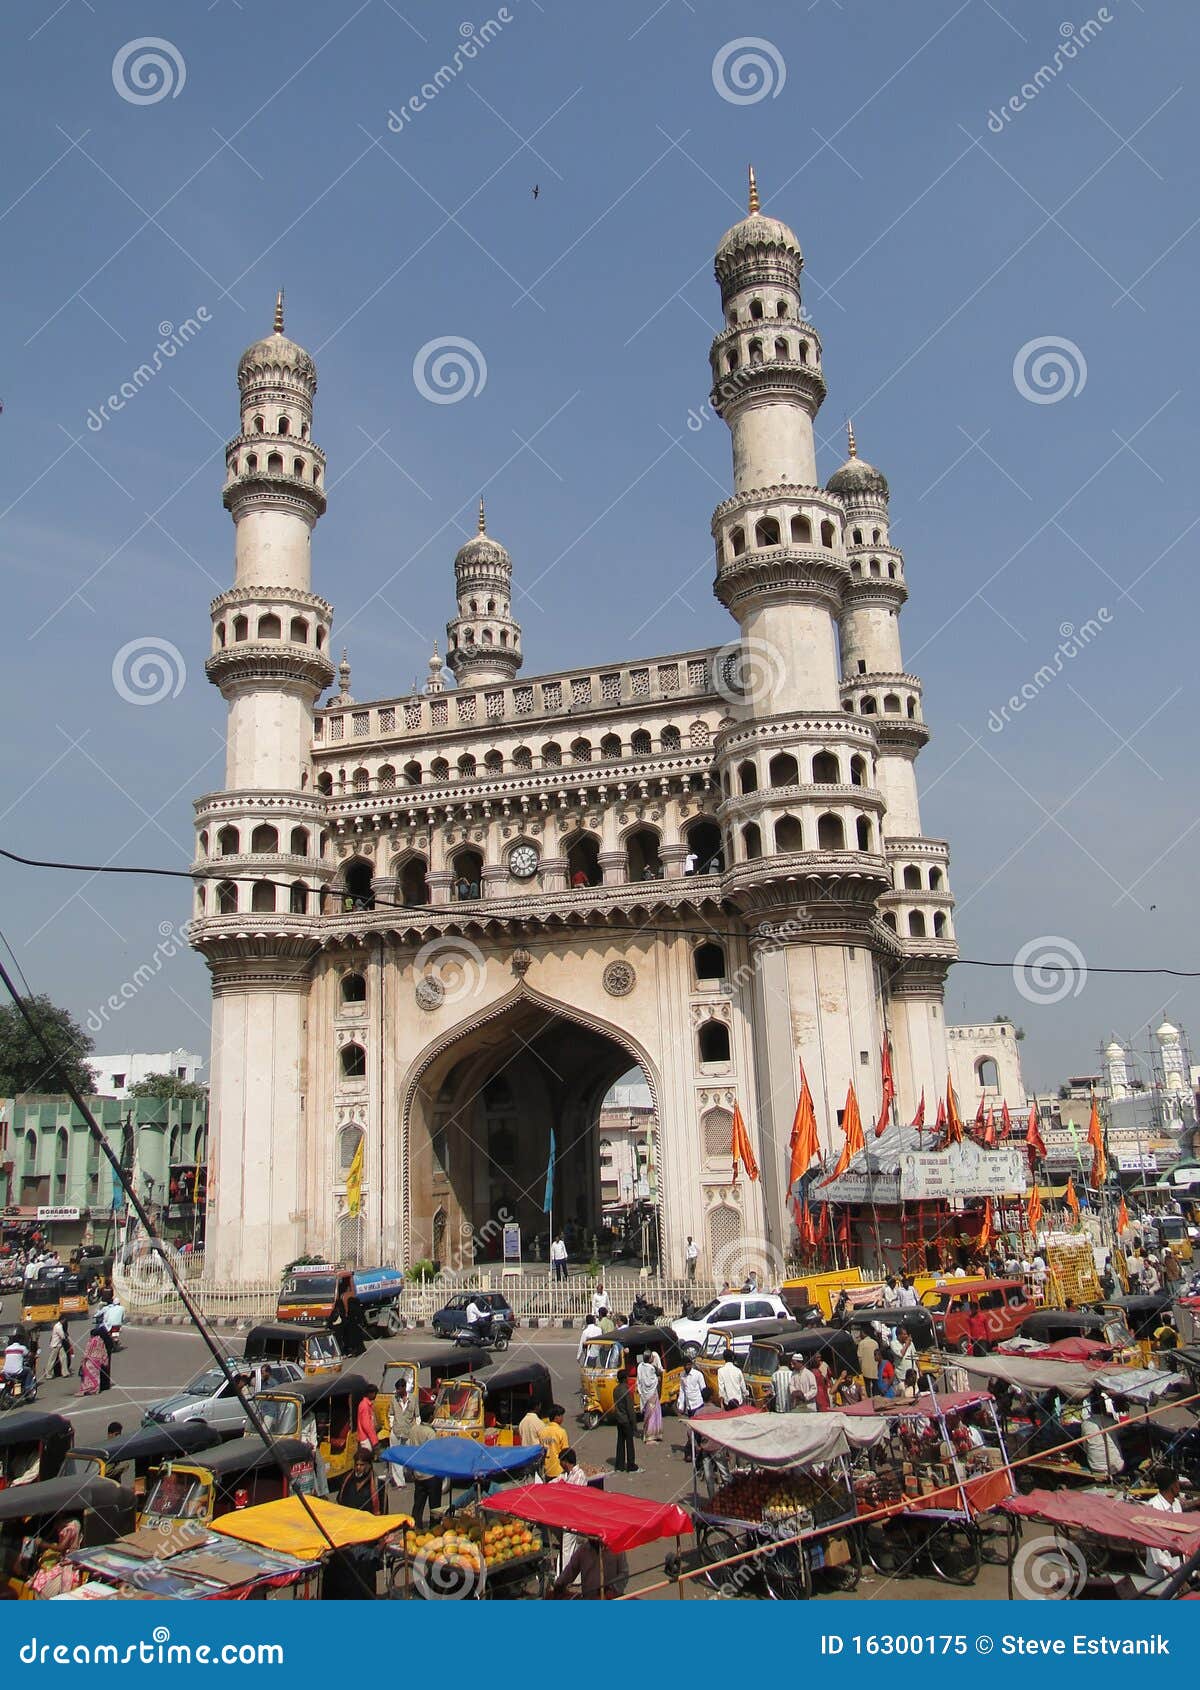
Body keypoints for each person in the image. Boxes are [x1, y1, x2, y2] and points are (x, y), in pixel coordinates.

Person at [548, 1537, 629, 1599]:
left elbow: (624, 1573)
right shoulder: (583, 1550)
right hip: (588, 1597)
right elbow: (570, 1570)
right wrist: (560, 1584)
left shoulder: (616, 1549)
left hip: (611, 1598)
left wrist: (610, 1588)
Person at [1144, 1466, 1185, 1583]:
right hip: (1159, 1575)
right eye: (1178, 1483)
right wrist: (1173, 1574)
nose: (1179, 1487)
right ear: (1173, 1486)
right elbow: (1155, 1548)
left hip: (1177, 1569)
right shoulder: (1153, 1508)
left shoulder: (1176, 1504)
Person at [1080, 1388, 1124, 1480]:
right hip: (1116, 1467)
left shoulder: (1085, 1424)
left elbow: (1086, 1447)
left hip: (1096, 1467)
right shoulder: (1111, 1422)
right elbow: (1121, 1438)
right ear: (1104, 1408)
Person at [612, 1371, 638, 1474]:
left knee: (620, 1442)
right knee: (629, 1444)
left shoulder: (616, 1390)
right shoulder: (626, 1390)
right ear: (625, 1378)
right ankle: (631, 1465)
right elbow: (630, 1409)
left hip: (619, 1419)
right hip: (626, 1420)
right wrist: (634, 1424)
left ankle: (620, 1465)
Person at [636, 1351, 663, 1442]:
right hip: (652, 1394)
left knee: (649, 1413)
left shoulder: (640, 1367)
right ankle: (650, 1436)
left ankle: (653, 1434)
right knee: (653, 1414)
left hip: (644, 1394)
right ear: (650, 1358)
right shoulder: (651, 1368)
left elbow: (640, 1380)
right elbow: (659, 1373)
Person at [77, 1324, 108, 1396]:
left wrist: (83, 1361)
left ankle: (87, 1389)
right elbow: (104, 1351)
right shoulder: (101, 1341)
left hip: (90, 1361)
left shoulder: (91, 1341)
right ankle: (95, 1389)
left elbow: (88, 1351)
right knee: (96, 1376)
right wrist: (105, 1360)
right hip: (98, 1361)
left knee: (88, 1376)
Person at [3, 1333, 34, 1400]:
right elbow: (29, 1354)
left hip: (6, 1371)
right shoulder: (22, 1348)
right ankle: (27, 1389)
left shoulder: (7, 1349)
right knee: (28, 1371)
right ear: (20, 1341)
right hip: (17, 1371)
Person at [541, 1404, 569, 1477]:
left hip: (546, 1469)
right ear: (556, 1417)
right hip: (558, 1469)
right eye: (561, 1416)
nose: (563, 1418)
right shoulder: (561, 1432)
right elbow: (565, 1452)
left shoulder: (543, 1431)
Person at [356, 1385, 379, 1461]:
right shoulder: (364, 1406)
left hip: (367, 1438)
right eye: (375, 1393)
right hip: (366, 1439)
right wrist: (374, 1441)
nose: (375, 1396)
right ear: (371, 1393)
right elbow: (367, 1425)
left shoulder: (367, 1405)